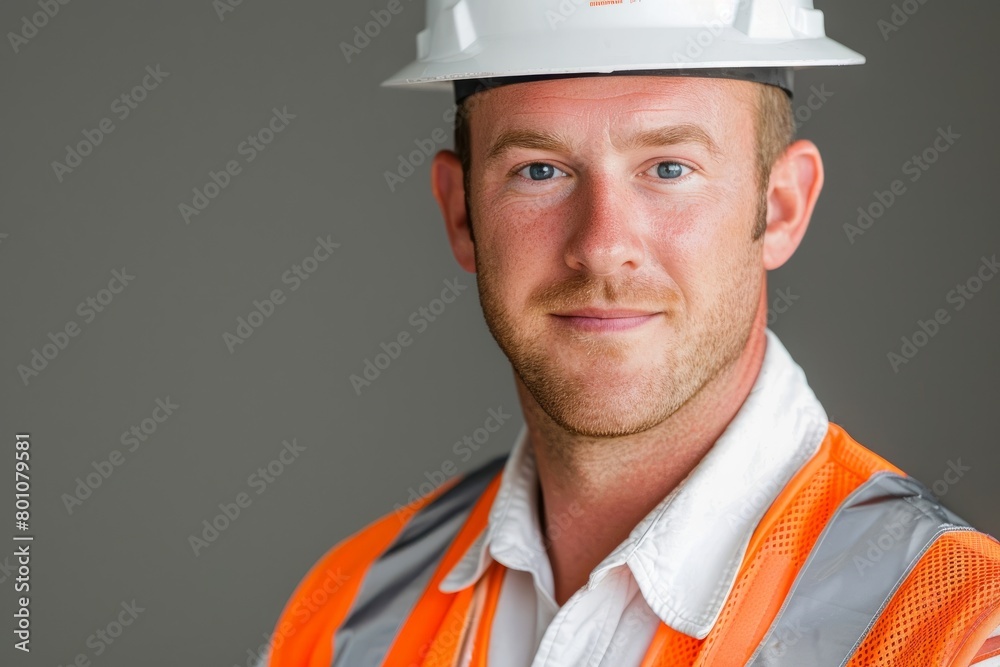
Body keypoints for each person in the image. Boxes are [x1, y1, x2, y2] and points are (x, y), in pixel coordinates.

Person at [261, 1, 1000, 664]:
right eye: (540, 171)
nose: (602, 243)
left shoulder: (957, 628)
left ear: (779, 207)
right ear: (461, 215)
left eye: (669, 167)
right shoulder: (344, 616)